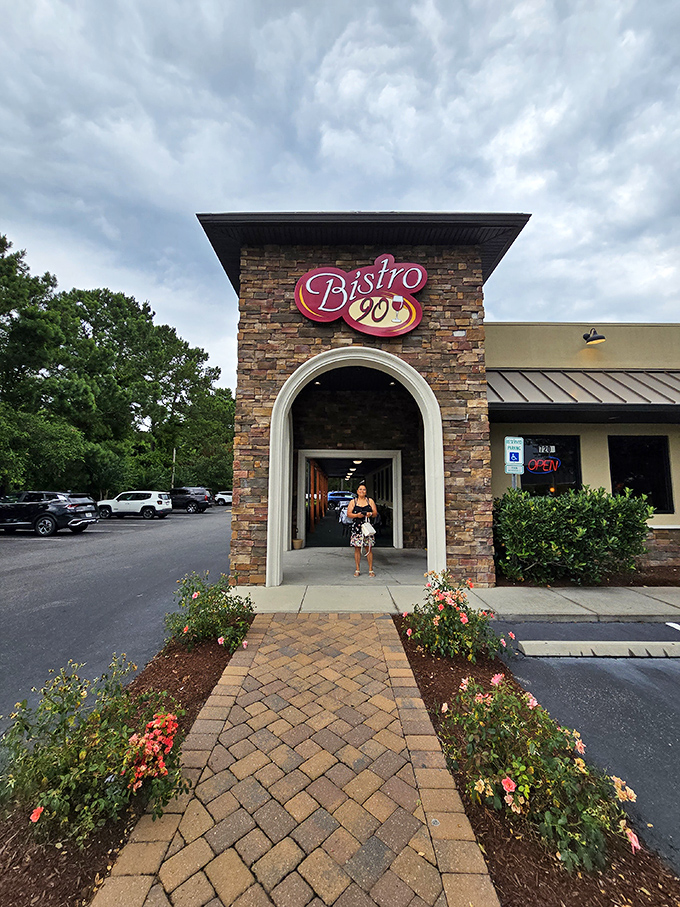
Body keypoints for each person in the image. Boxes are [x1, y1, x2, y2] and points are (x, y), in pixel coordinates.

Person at [347, 484, 378, 576]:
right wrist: (357, 515)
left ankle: (370, 569)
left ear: (366, 492)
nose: (362, 491)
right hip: (357, 528)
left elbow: (375, 513)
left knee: (368, 548)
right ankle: (357, 569)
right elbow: (349, 514)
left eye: (364, 489)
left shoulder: (370, 501)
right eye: (360, 489)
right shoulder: (353, 502)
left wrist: (370, 514)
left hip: (367, 527)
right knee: (357, 548)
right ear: (357, 491)